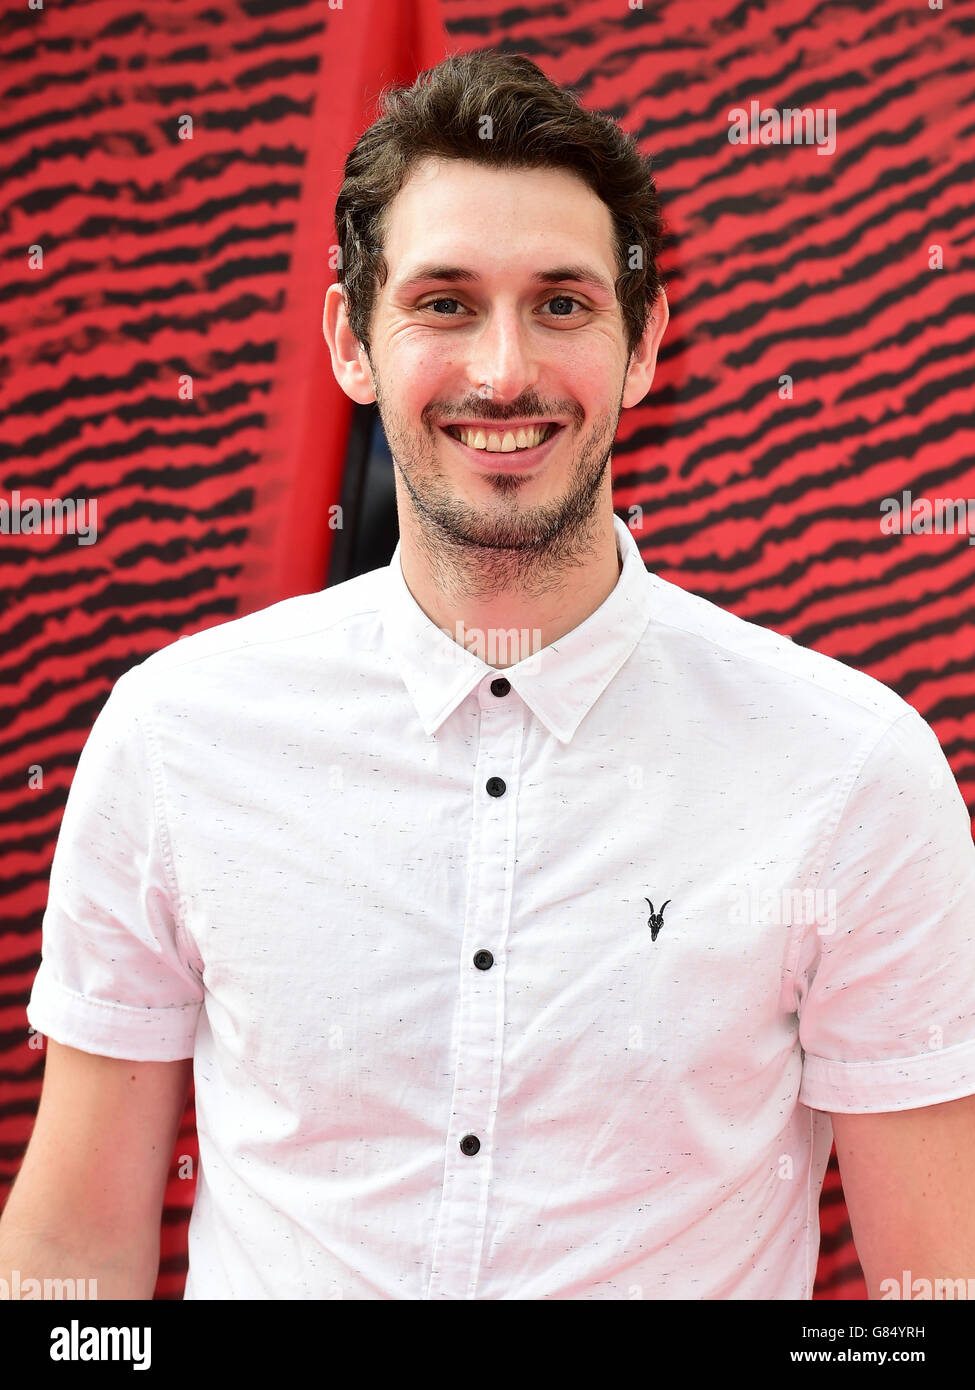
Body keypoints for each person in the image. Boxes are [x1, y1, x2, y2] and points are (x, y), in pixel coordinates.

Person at [3, 50, 975, 1302]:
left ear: (645, 346)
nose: (504, 372)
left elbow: (930, 1299)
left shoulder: (850, 770)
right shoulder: (175, 734)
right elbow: (75, 1262)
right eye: (445, 303)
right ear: (353, 340)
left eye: (563, 304)